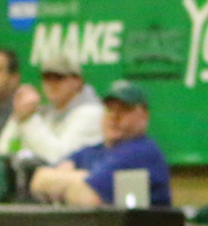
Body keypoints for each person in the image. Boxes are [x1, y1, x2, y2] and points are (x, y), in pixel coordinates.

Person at [28, 80, 171, 207]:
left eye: (124, 110)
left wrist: (71, 181)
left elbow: (88, 198)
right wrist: (86, 178)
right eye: (109, 109)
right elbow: (39, 180)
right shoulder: (92, 150)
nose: (114, 117)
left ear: (144, 117)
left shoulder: (143, 151)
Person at [0, 49, 105, 167]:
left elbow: (60, 159)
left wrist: (28, 118)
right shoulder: (47, 112)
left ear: (77, 81)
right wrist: (18, 116)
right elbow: (3, 151)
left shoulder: (91, 113)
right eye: (47, 78)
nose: (51, 84)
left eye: (58, 78)